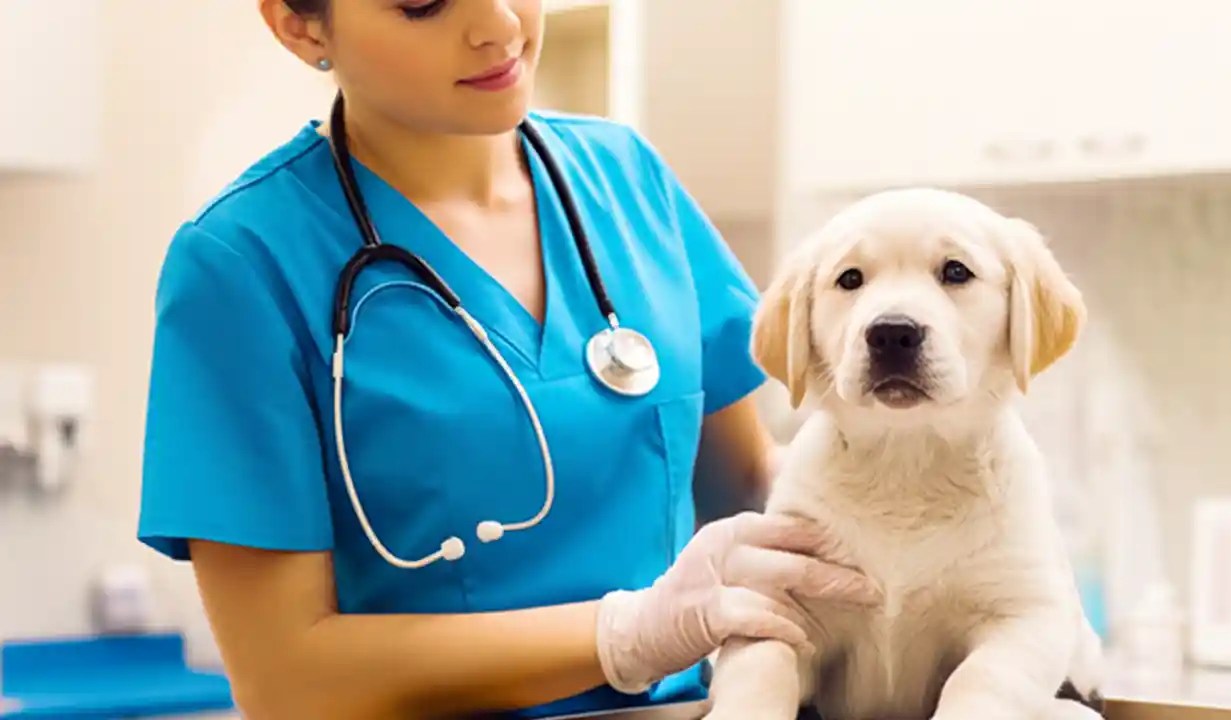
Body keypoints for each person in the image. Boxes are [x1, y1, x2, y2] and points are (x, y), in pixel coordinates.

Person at [136, 1, 880, 718]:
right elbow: (287, 680)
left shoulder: (627, 179)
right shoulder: (242, 263)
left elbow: (751, 485)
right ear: (299, 25)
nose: (498, 26)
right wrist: (623, 634)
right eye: (423, 4)